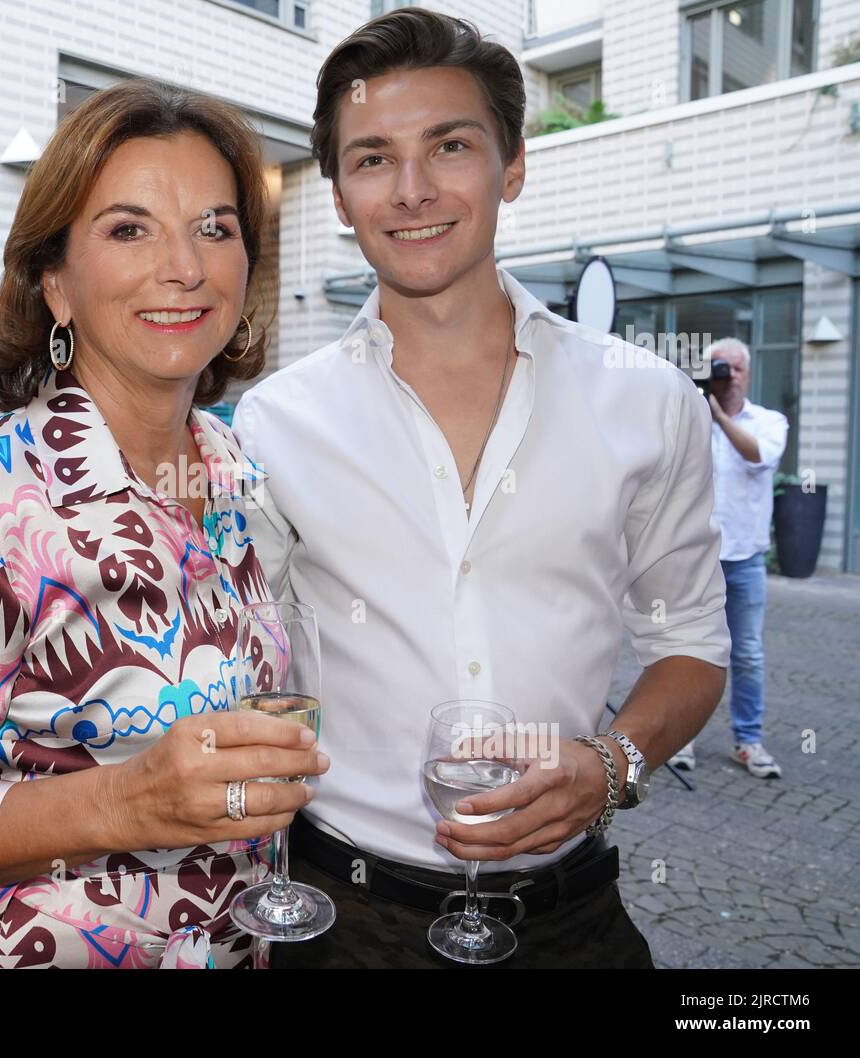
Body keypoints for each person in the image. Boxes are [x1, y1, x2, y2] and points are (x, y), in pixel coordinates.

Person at [232, 8, 731, 969]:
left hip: (569, 919)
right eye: (372, 158)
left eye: (449, 146)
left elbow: (692, 647)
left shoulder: (649, 401)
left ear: (512, 166)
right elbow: (249, 666)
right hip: (344, 920)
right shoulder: (272, 424)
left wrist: (613, 764)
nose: (412, 190)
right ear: (337, 194)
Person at [0, 79, 328, 969]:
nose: (185, 266)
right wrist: (124, 804)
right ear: (55, 281)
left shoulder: (238, 469)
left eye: (216, 227)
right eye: (129, 228)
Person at [670, 338, 788, 778]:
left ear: (749, 373)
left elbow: (758, 455)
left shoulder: (769, 421)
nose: (730, 376)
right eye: (721, 368)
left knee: (748, 654)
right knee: (686, 648)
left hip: (744, 559)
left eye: (737, 368)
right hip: (696, 557)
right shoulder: (691, 418)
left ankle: (748, 741)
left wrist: (717, 416)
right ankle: (681, 740)